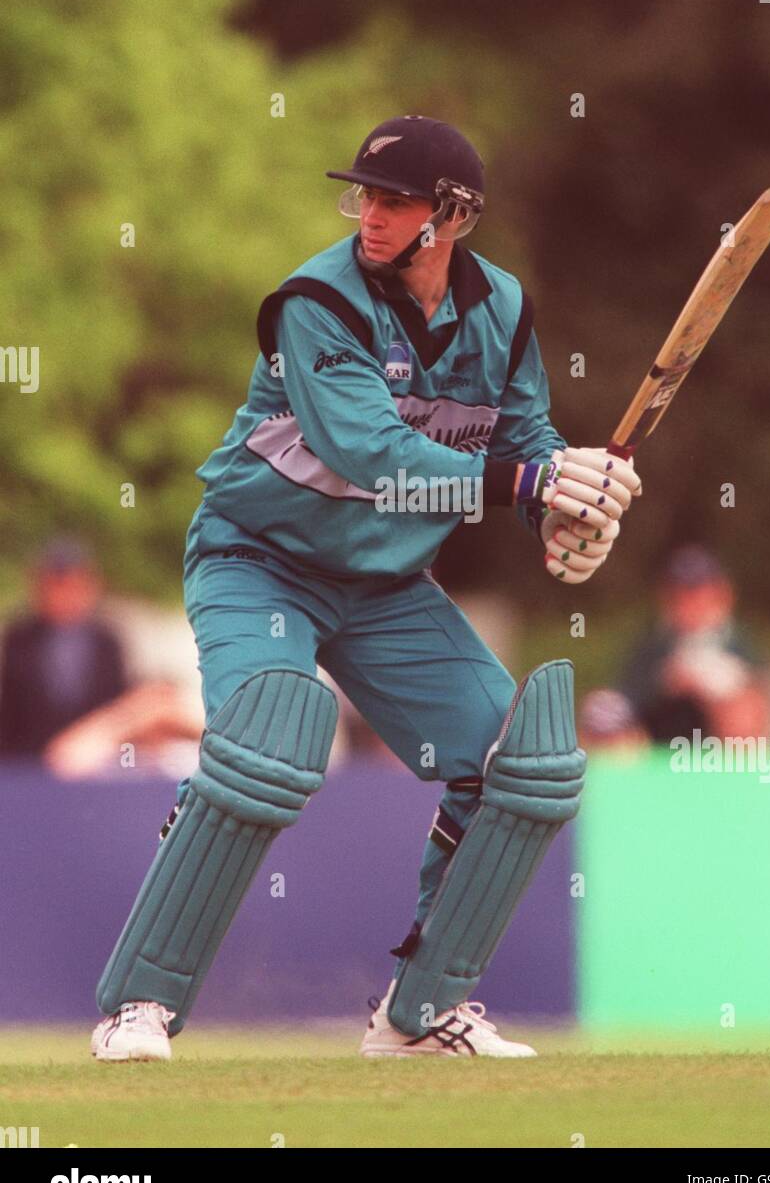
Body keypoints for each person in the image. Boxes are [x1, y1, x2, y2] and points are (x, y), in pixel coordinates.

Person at [90, 114, 641, 1062]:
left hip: (384, 581)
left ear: (453, 215)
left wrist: (566, 505)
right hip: (256, 557)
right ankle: (137, 1008)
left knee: (522, 766)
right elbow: (376, 456)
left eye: (395, 201)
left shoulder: (502, 309)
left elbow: (521, 444)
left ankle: (420, 1016)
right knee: (267, 739)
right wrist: (527, 483)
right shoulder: (317, 301)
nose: (370, 216)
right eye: (364, 196)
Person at [620, 545, 770, 743]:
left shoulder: (740, 645)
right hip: (661, 749)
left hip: (718, 753)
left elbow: (763, 710)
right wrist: (666, 685)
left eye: (698, 594)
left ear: (721, 595)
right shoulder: (652, 647)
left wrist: (714, 694)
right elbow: (625, 703)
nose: (690, 605)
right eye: (681, 596)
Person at [0, 538, 129, 764]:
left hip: (94, 761)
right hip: (30, 761)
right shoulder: (19, 638)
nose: (64, 596)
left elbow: (119, 707)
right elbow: (12, 708)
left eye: (73, 586)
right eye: (56, 586)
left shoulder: (107, 640)